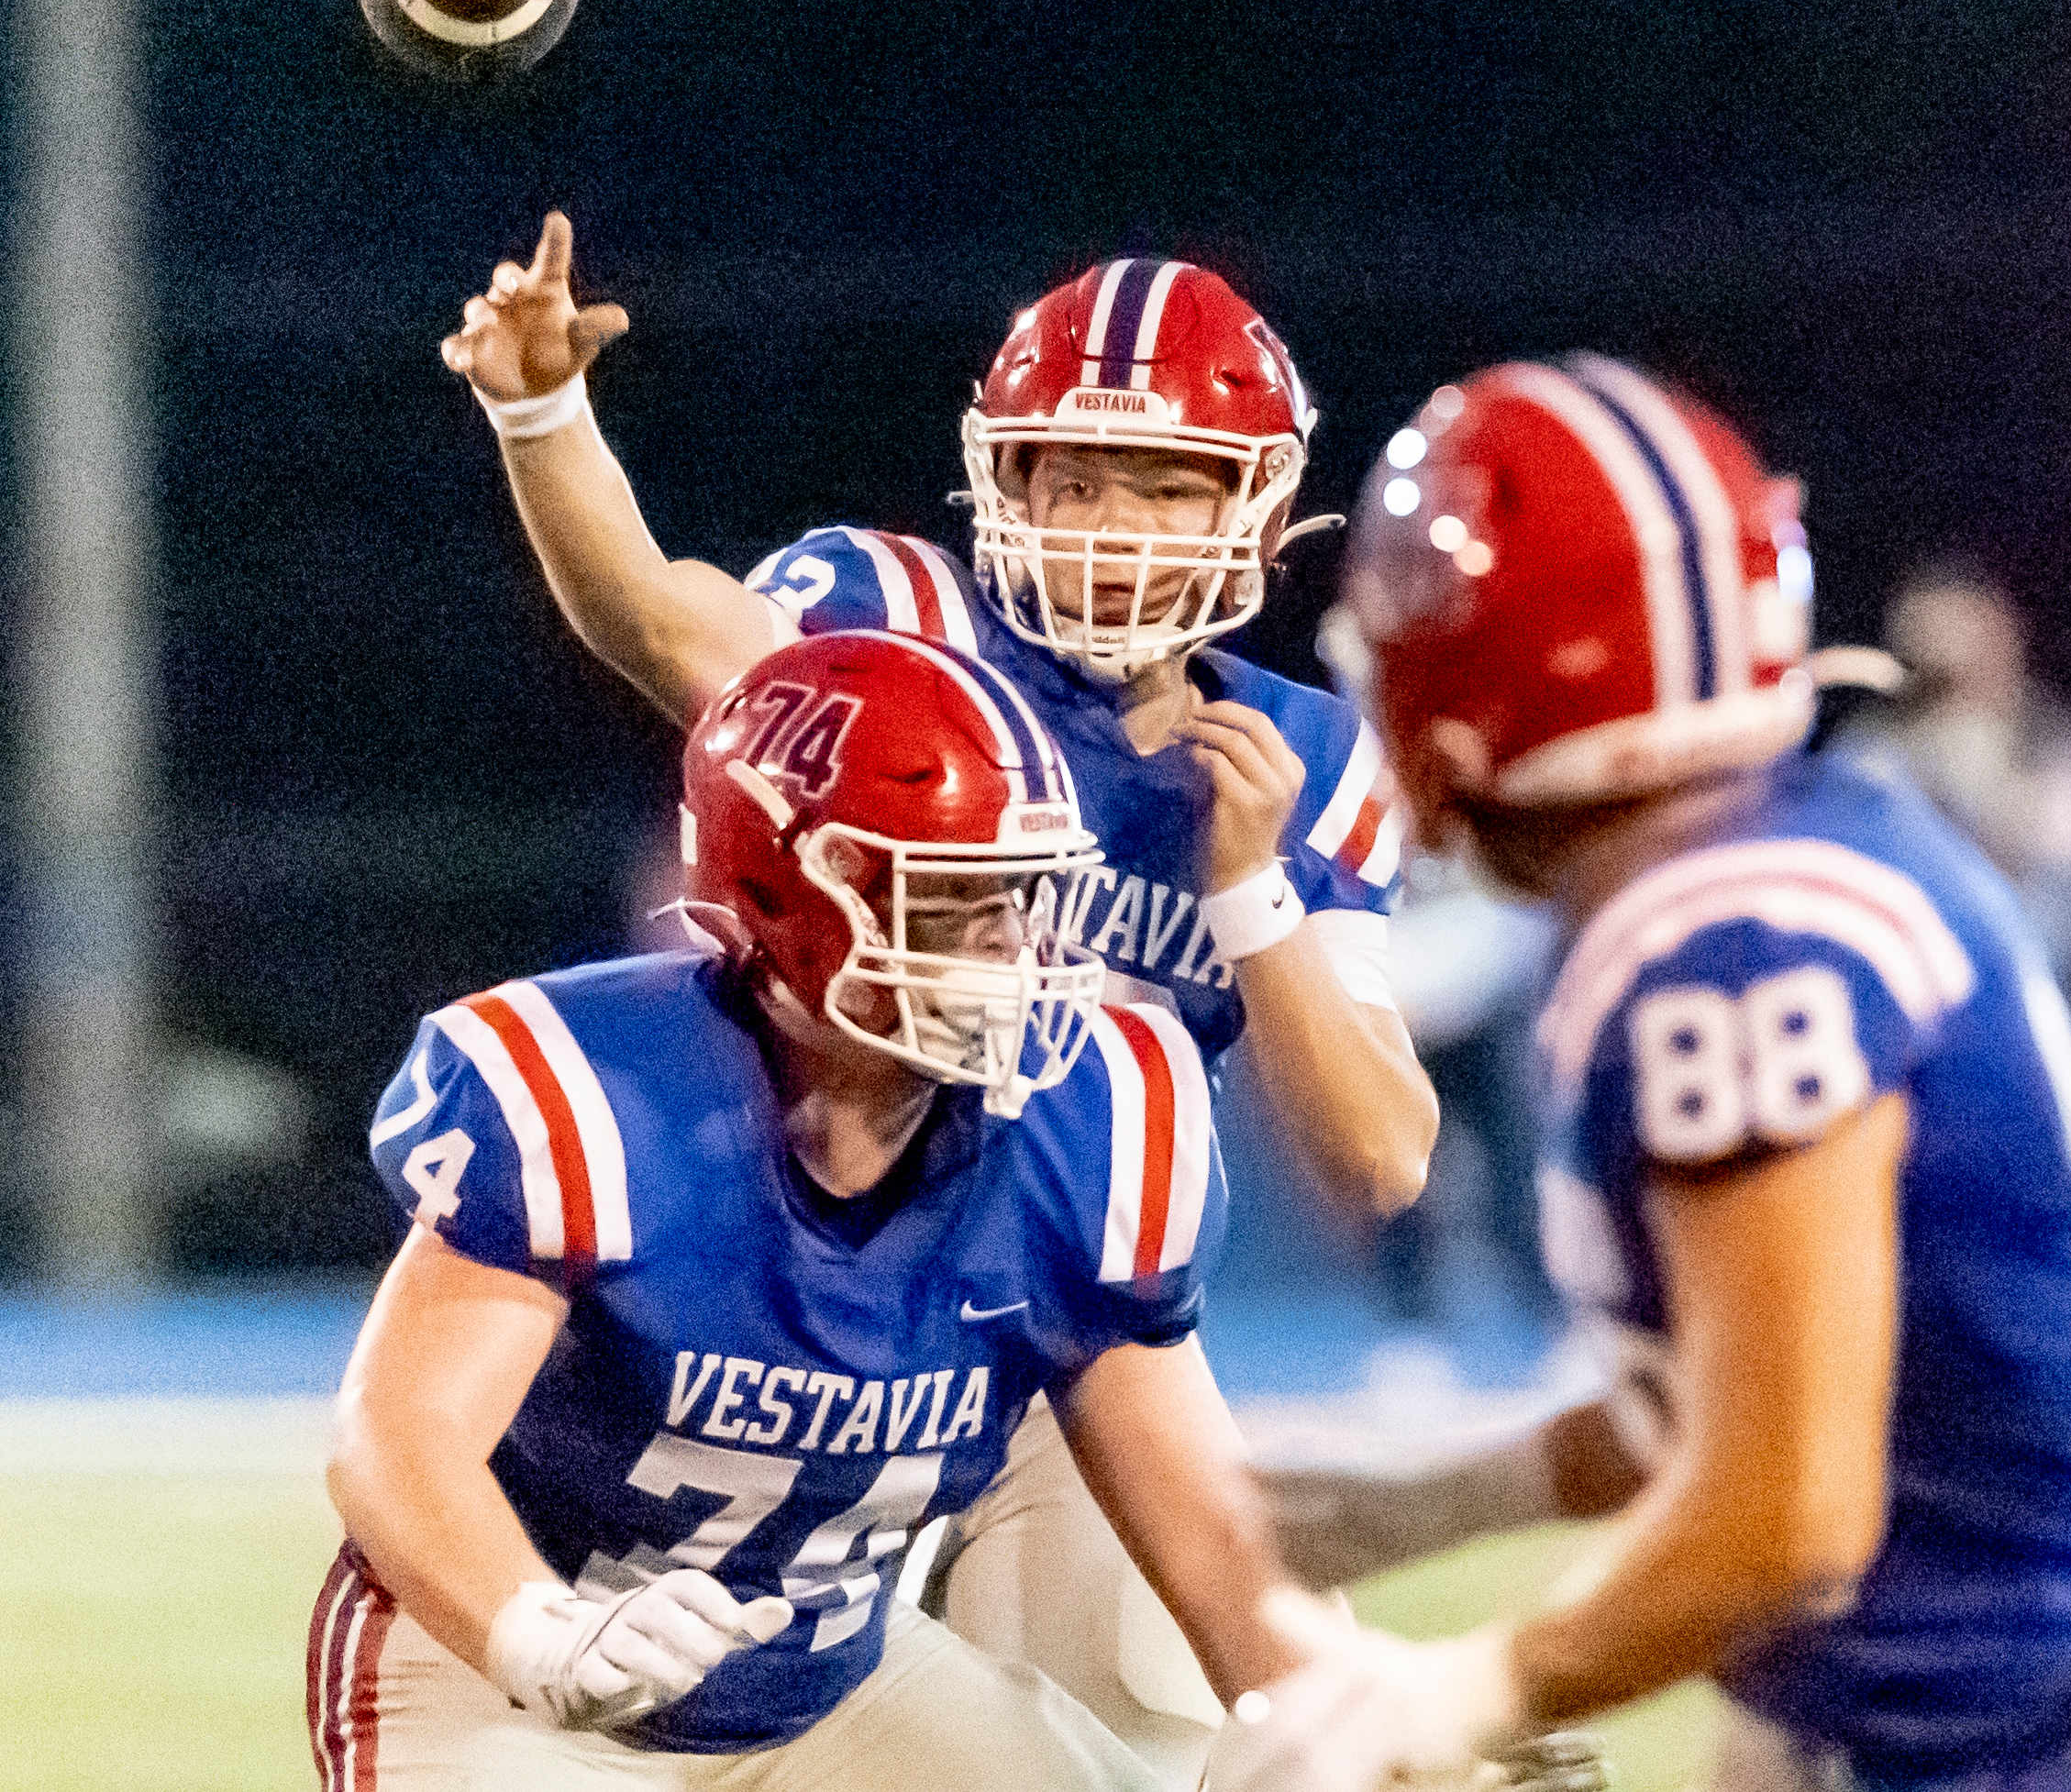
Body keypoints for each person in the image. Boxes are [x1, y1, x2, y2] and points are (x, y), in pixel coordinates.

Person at [1220, 355, 2071, 1792]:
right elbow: (1769, 1382)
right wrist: (1411, 1507)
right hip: (2018, 1711)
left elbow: (1784, 1511)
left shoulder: (1727, 945)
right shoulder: (1792, 845)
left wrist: (1462, 1690)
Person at [436, 217, 1434, 1779]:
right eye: (1074, 476)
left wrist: (1255, 890)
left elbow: (1382, 1151)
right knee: (688, 1700)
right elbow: (659, 616)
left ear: (1259, 509)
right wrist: (543, 416)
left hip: (1054, 1328)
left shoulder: (1306, 767)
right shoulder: (895, 621)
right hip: (789, 1270)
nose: (1116, 525)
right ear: (1005, 484)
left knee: (1175, 1734)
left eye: (1168, 483)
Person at [316, 629, 1322, 1789]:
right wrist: (534, 1630)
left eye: (1018, 893)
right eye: (953, 900)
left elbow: (1206, 1531)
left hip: (832, 1678)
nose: (1011, 945)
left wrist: (1361, 1723)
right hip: (507, 1673)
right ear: (776, 892)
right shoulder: (599, 1098)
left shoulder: (1079, 1115)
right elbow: (396, 1435)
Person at [1833, 564, 2071, 1001]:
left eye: (1964, 648)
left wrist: (1976, 790)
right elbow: (1851, 864)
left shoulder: (2060, 738)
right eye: (1932, 665)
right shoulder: (1871, 748)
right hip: (1917, 969)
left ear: (2002, 638)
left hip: (2054, 974)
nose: (1950, 674)